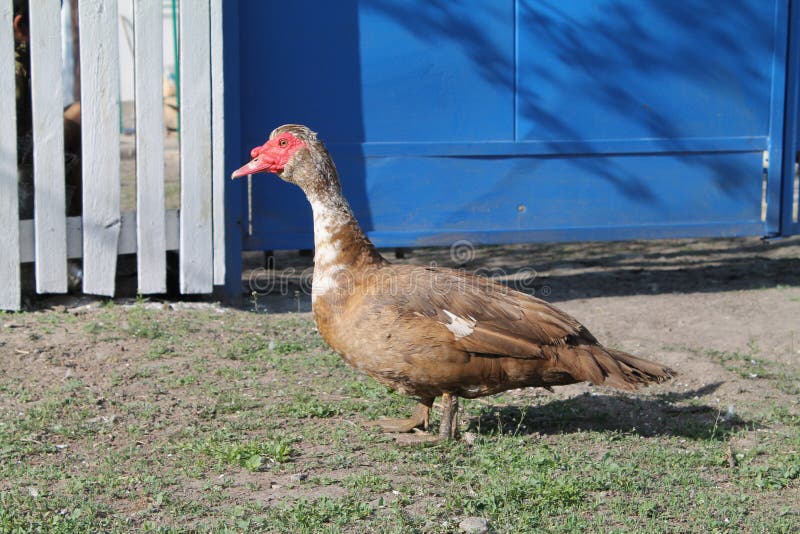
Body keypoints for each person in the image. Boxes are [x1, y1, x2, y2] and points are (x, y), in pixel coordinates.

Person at [14, 0, 82, 219]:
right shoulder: (17, 62)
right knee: (78, 116)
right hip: (17, 162)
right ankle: (74, 221)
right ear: (21, 27)